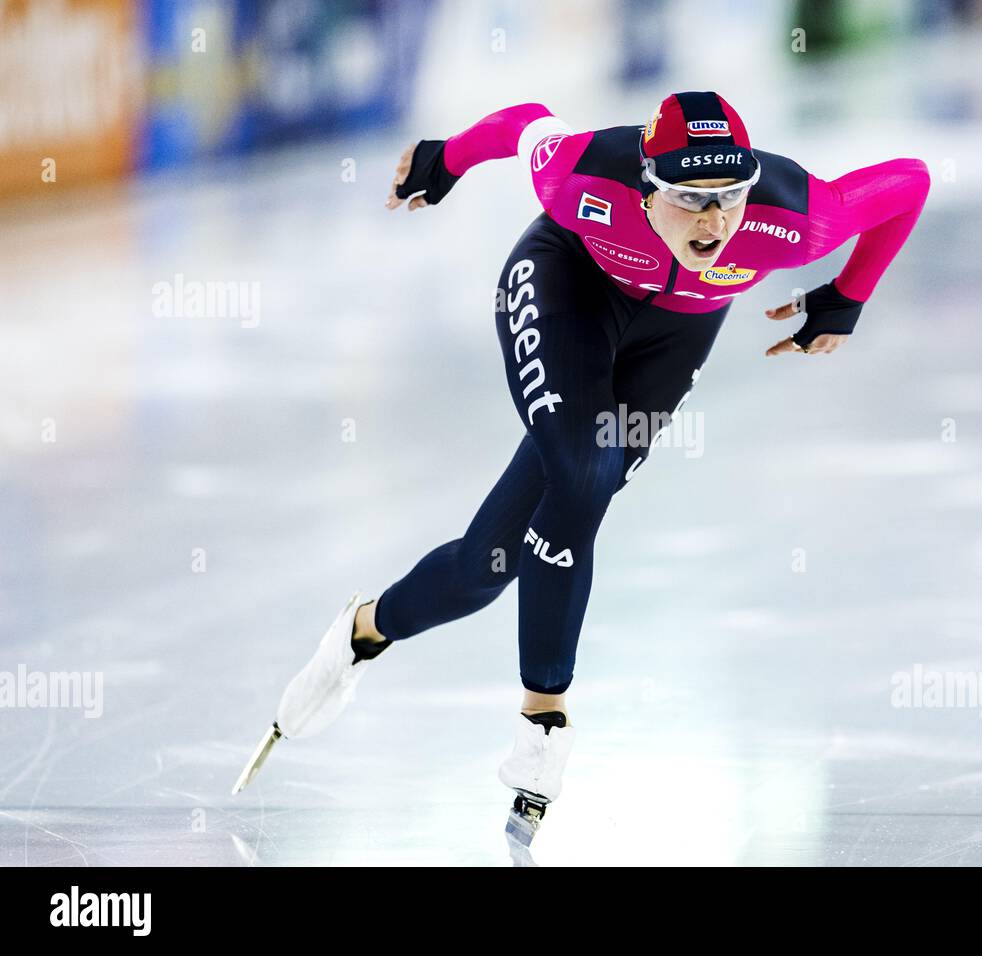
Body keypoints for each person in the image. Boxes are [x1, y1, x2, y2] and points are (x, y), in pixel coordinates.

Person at [233, 91, 930, 843]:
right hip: (565, 287)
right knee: (587, 471)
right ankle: (544, 715)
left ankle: (363, 631)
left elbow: (912, 181)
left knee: (486, 565)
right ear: (645, 183)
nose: (714, 220)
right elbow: (523, 119)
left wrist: (846, 298)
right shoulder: (582, 175)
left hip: (673, 337)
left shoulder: (796, 217)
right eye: (690, 199)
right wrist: (443, 160)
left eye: (729, 196)